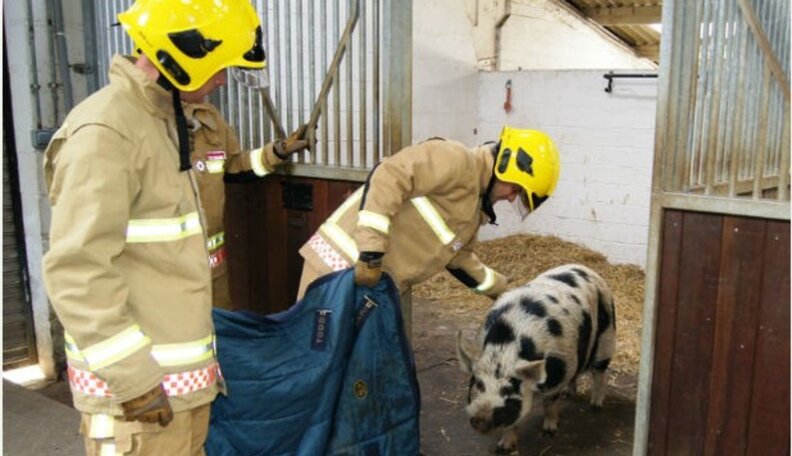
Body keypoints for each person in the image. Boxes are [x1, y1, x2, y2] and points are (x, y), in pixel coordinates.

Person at [41, 1, 279, 454]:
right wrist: (134, 381)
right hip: (138, 397)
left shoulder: (168, 122)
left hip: (179, 389)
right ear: (180, 57)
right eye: (219, 66)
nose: (224, 80)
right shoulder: (107, 134)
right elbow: (77, 272)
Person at [296, 126, 561, 300]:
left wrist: (505, 292)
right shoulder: (456, 160)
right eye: (515, 189)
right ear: (505, 165)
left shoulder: (473, 210)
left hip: (372, 283)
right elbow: (389, 175)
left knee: (351, 372)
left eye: (519, 198)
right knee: (318, 365)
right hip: (339, 265)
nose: (511, 197)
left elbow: (460, 259)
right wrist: (371, 252)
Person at [185, 101, 308, 310]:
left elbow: (235, 166)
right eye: (216, 72)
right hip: (168, 275)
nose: (221, 80)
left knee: (220, 330)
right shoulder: (149, 120)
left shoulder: (209, 116)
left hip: (213, 273)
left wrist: (277, 152)